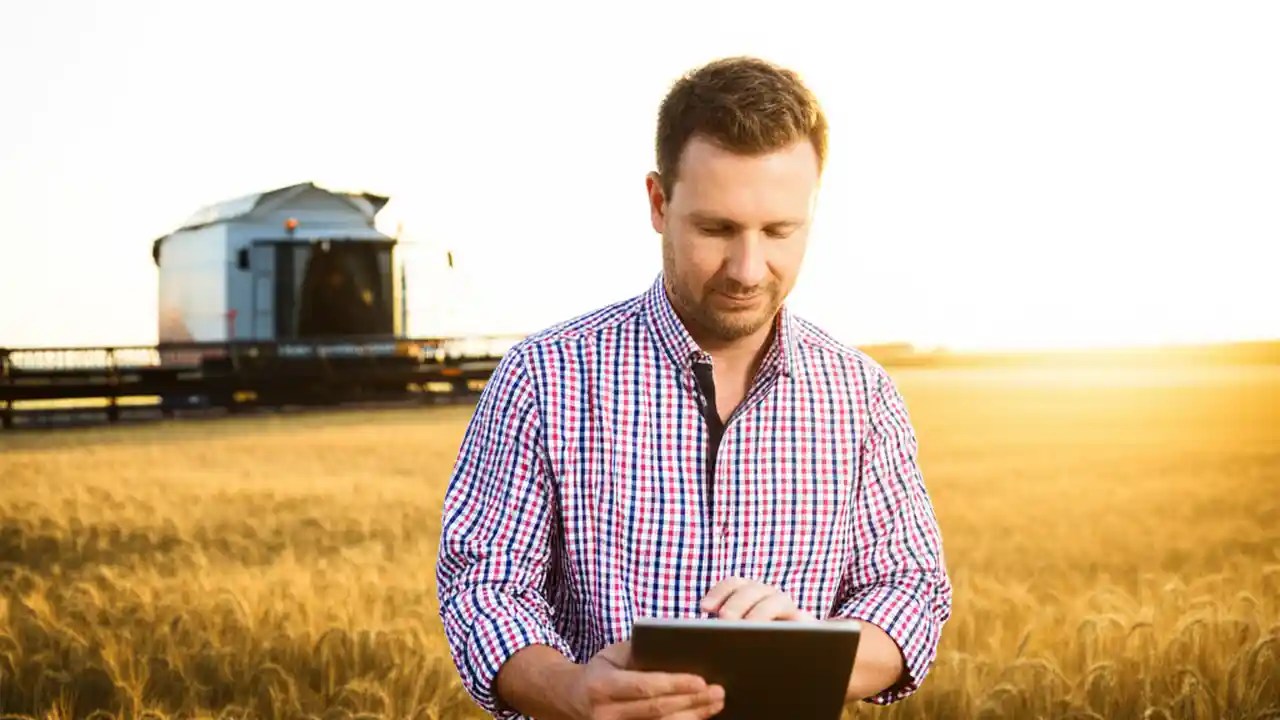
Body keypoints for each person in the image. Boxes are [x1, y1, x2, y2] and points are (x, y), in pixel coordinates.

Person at [435, 55, 952, 720]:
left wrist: (815, 651)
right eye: (717, 229)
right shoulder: (544, 376)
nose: (747, 268)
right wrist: (569, 689)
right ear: (658, 202)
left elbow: (908, 591)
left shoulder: (863, 396)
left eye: (779, 231)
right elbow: (485, 586)